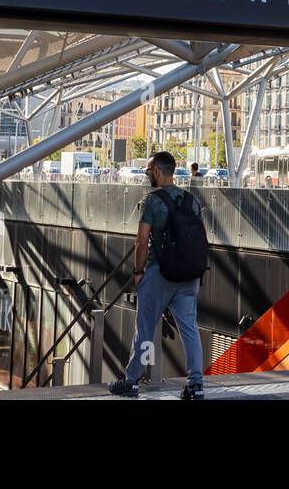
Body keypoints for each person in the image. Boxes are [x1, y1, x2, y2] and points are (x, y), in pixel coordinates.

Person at [109, 151, 208, 400]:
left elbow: (142, 240)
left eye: (148, 171)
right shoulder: (191, 200)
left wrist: (138, 271)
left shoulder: (152, 201)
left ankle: (131, 381)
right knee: (189, 328)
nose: (147, 176)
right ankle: (196, 385)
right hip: (189, 275)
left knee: (145, 330)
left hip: (159, 274)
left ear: (156, 171)